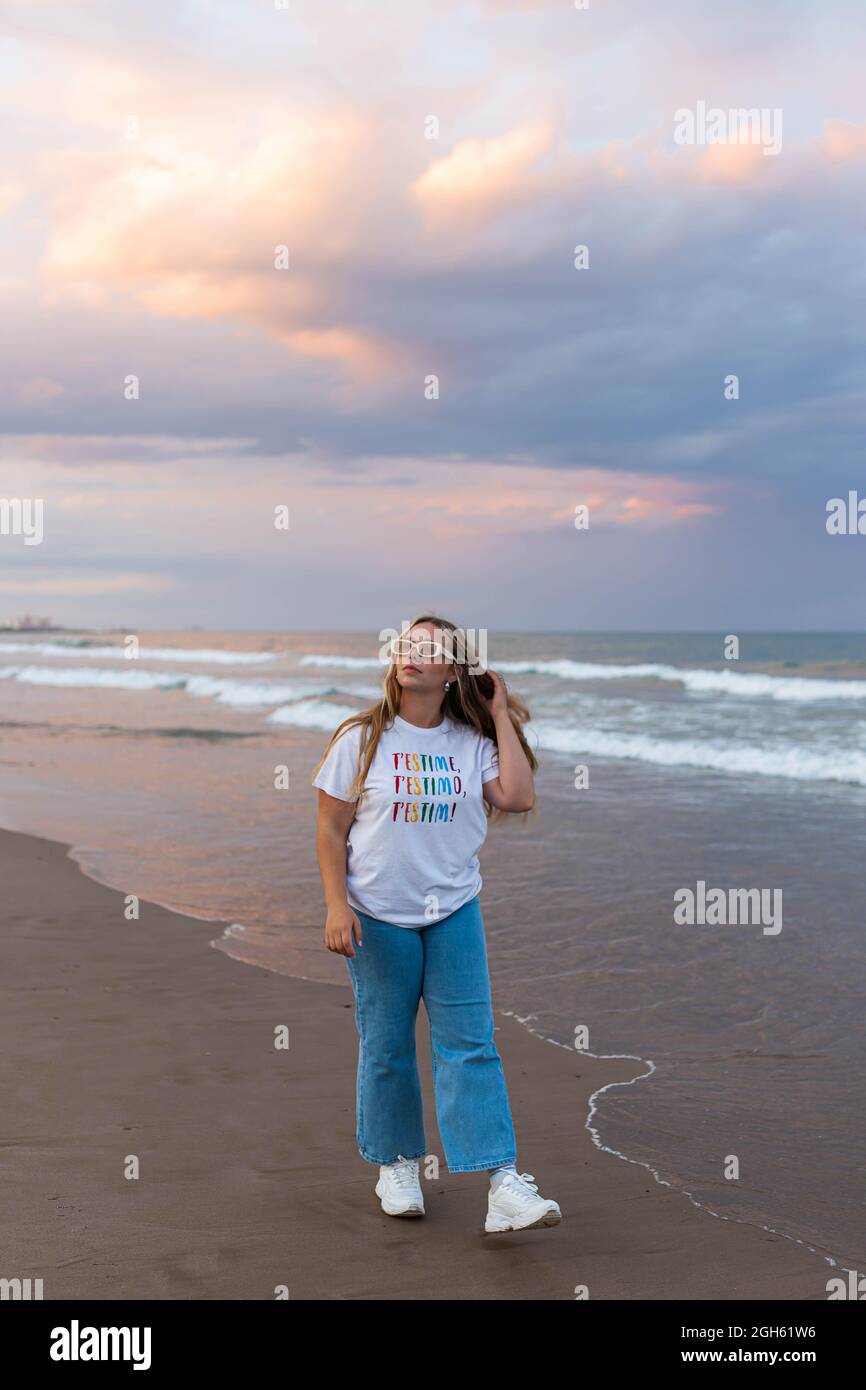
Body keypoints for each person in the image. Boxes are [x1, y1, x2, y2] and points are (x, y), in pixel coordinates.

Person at [312, 612, 562, 1234]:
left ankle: (502, 1182)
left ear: (453, 672)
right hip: (378, 917)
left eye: (429, 648)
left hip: (453, 912)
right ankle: (397, 1165)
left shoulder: (470, 742)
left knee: (470, 1044)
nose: (411, 653)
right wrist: (336, 905)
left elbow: (519, 796)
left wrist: (499, 713)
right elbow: (329, 830)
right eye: (405, 644)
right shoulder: (361, 739)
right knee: (389, 1045)